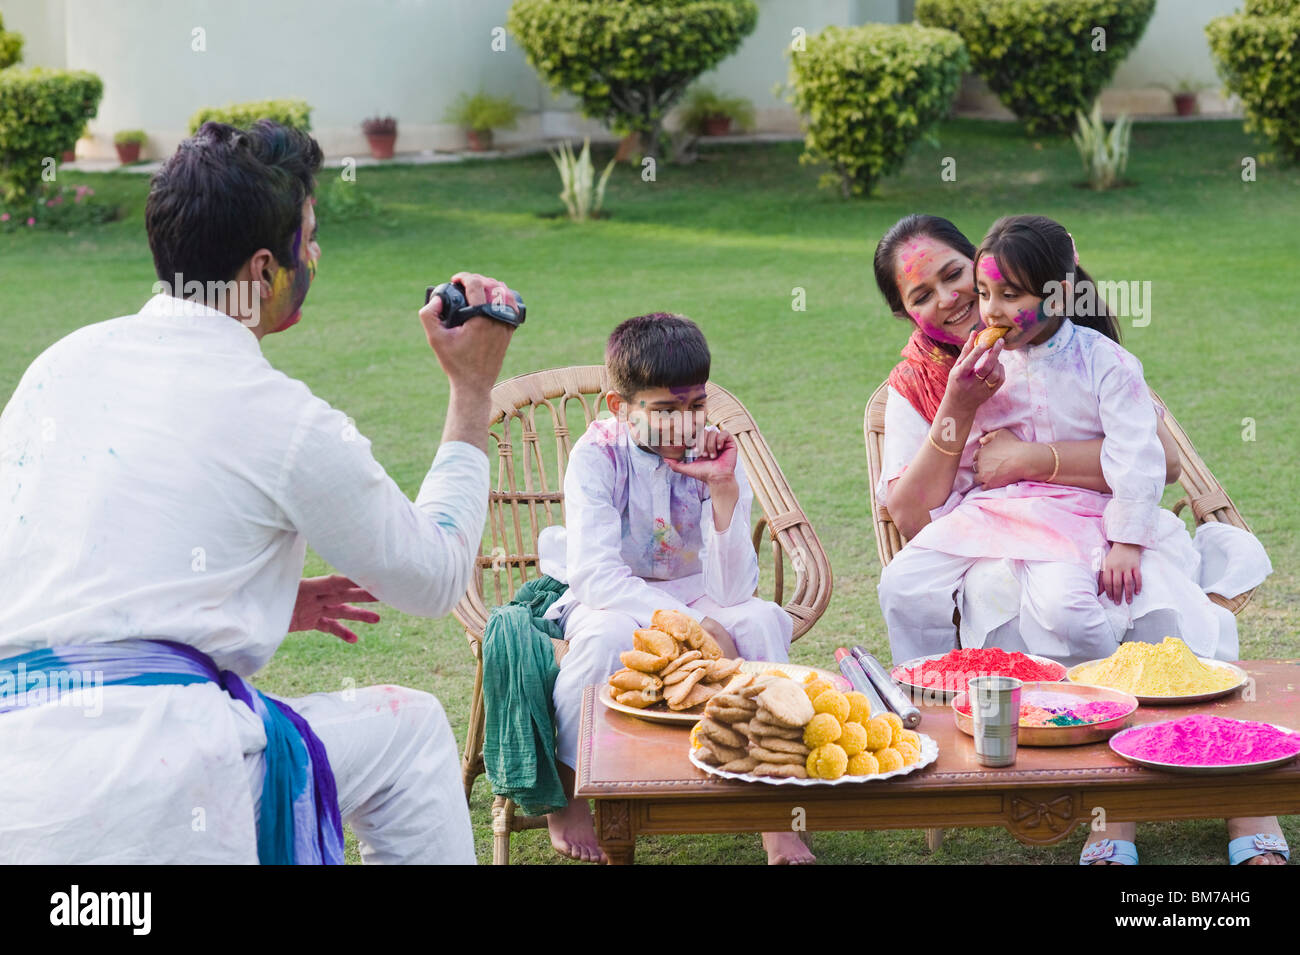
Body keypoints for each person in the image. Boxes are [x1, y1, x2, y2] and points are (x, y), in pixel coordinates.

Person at [0, 120, 517, 863]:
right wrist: (471, 393)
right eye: (309, 238)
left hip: (16, 783)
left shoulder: (58, 364)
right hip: (156, 791)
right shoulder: (287, 418)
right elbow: (434, 577)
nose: (316, 257)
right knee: (409, 733)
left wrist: (236, 591)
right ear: (261, 269)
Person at [870, 213, 1281, 866]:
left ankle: (1195, 796)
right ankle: (945, 744)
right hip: (990, 534)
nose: (952, 299)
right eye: (923, 295)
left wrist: (1036, 461)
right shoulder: (934, 377)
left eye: (956, 277)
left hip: (1103, 523)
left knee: (1129, 609)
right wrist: (959, 405)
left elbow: (1154, 461)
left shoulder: (1082, 350)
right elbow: (909, 508)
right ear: (903, 313)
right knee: (932, 587)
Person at [537, 313, 806, 864]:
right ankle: (570, 795)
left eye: (695, 405)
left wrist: (725, 490)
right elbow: (595, 575)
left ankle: (776, 812)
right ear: (620, 407)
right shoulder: (597, 455)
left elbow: (732, 591)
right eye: (664, 410)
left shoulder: (715, 453)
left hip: (699, 590)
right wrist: (688, 624)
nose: (685, 424)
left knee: (756, 621)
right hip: (615, 596)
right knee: (602, 642)